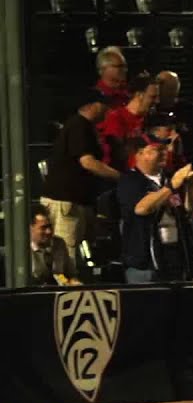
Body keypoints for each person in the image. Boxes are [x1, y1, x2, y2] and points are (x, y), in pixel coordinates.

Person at [41, 89, 120, 274]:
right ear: (94, 105)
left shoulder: (84, 126)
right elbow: (88, 162)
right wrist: (121, 178)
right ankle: (65, 288)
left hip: (76, 201)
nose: (107, 111)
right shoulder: (79, 125)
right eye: (104, 106)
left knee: (75, 252)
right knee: (65, 254)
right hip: (65, 201)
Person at [117, 141, 193, 283]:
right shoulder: (130, 180)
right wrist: (170, 187)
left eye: (165, 149)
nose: (164, 153)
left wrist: (191, 186)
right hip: (146, 259)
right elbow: (141, 209)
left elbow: (191, 210)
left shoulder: (168, 178)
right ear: (140, 154)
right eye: (157, 150)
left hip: (175, 254)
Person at [29, 206, 78, 286]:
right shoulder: (22, 249)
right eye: (43, 228)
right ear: (31, 228)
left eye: (50, 226)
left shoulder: (59, 244)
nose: (49, 231)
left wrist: (72, 282)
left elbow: (68, 274)